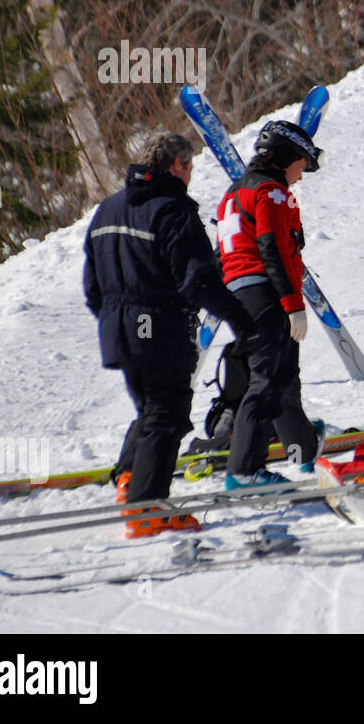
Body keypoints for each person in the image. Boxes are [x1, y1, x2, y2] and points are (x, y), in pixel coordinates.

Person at [84, 132, 255, 537]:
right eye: (191, 165)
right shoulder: (174, 211)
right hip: (160, 330)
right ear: (177, 165)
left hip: (117, 332)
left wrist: (115, 319)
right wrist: (241, 320)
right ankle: (148, 509)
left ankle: (130, 480)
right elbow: (199, 281)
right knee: (168, 415)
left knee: (152, 411)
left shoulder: (106, 210)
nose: (192, 174)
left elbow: (93, 288)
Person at [216, 120, 324, 489]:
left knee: (282, 376)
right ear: (285, 158)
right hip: (264, 291)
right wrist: (293, 305)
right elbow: (273, 247)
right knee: (267, 379)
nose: (302, 175)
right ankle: (244, 471)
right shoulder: (272, 192)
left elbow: (223, 254)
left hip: (242, 291)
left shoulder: (235, 192)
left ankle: (302, 450)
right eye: (302, 165)